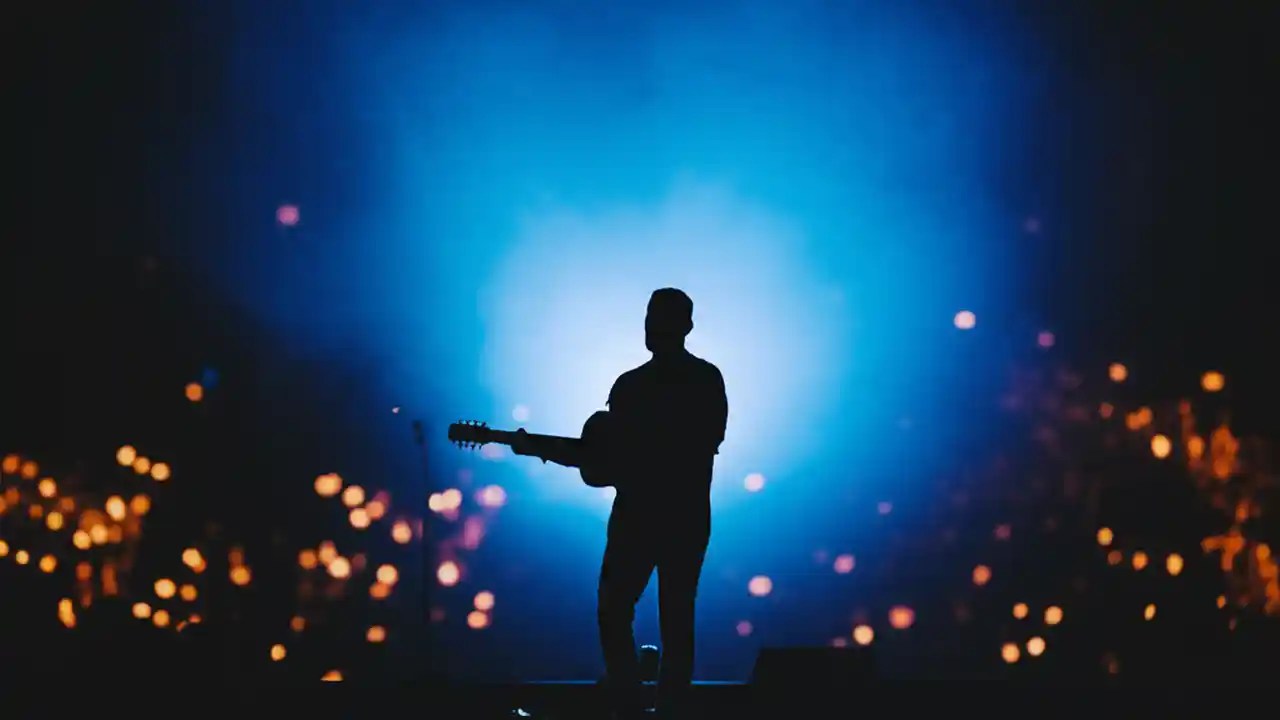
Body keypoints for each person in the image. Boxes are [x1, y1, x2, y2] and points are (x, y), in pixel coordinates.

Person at [515, 288, 728, 718]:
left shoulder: (649, 384)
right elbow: (608, 458)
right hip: (678, 517)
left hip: (648, 516)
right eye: (650, 316)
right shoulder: (692, 380)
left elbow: (608, 459)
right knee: (668, 617)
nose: (652, 326)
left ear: (684, 326)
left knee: (627, 613)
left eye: (660, 318)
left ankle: (633, 702)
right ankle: (654, 705)